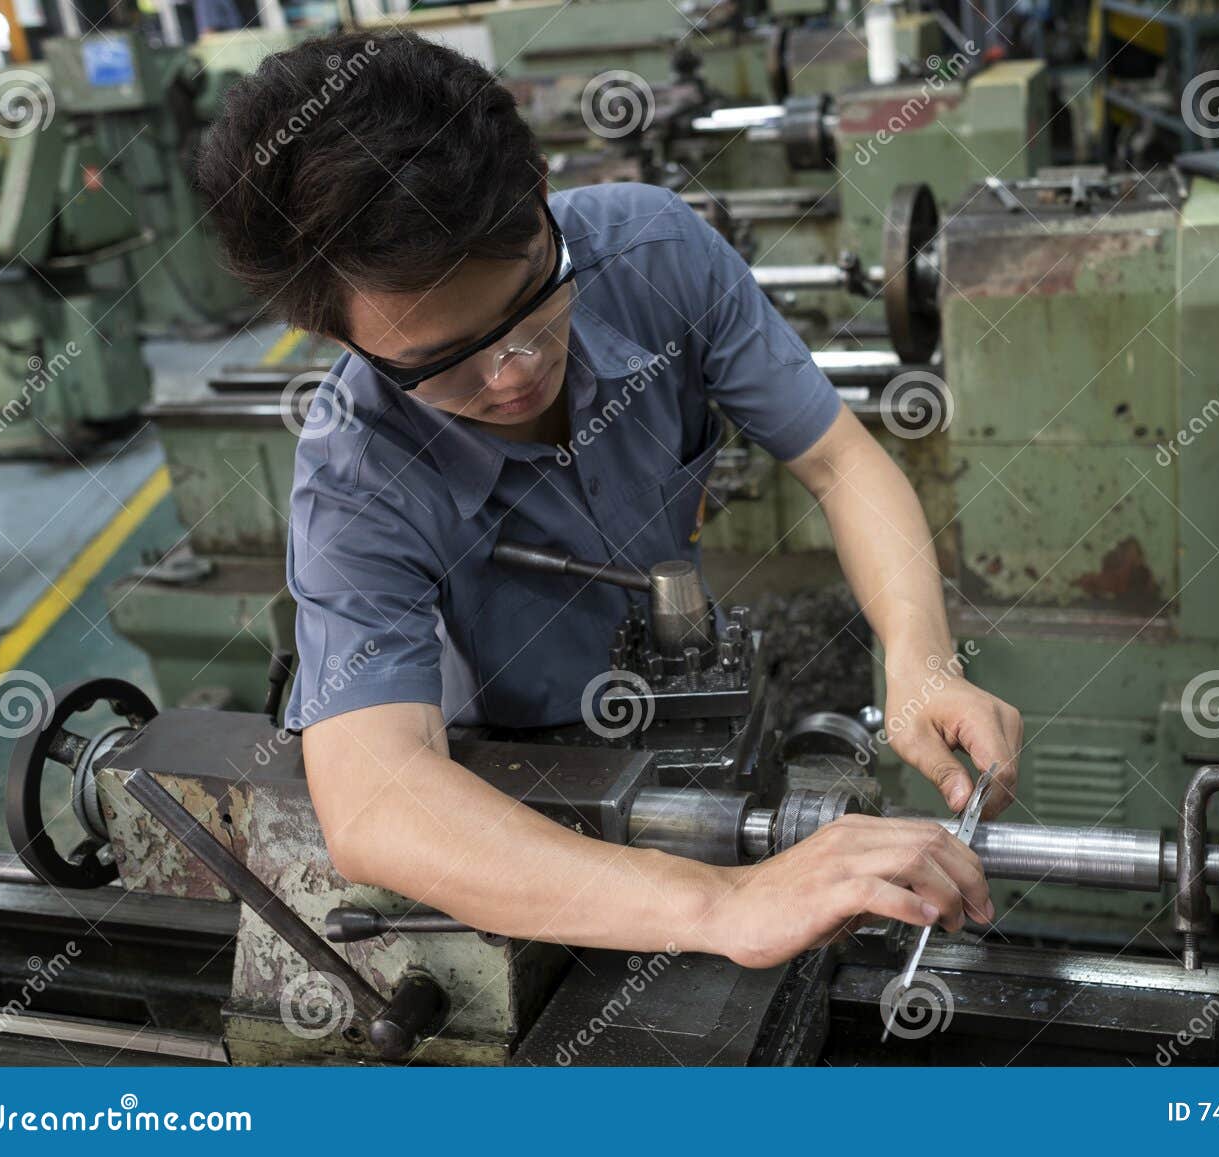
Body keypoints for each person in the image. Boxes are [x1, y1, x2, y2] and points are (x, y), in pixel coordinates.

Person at [194, 31, 1023, 968]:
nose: (512, 377)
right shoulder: (357, 475)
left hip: (685, 716)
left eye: (527, 307)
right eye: (442, 364)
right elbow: (380, 801)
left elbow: (839, 461)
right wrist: (722, 903)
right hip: (502, 800)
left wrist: (920, 660)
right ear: (331, 333)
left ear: (540, 190)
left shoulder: (655, 254)